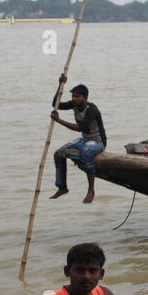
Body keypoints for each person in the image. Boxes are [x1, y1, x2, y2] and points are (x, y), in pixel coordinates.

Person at [49, 73, 107, 204]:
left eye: (77, 96)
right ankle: (62, 187)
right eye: (73, 96)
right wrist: (60, 84)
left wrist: (58, 120)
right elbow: (55, 104)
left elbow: (80, 127)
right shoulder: (74, 104)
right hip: (85, 139)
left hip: (98, 142)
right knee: (59, 154)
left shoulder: (92, 109)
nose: (74, 99)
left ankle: (91, 190)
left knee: (87, 153)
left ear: (85, 98)